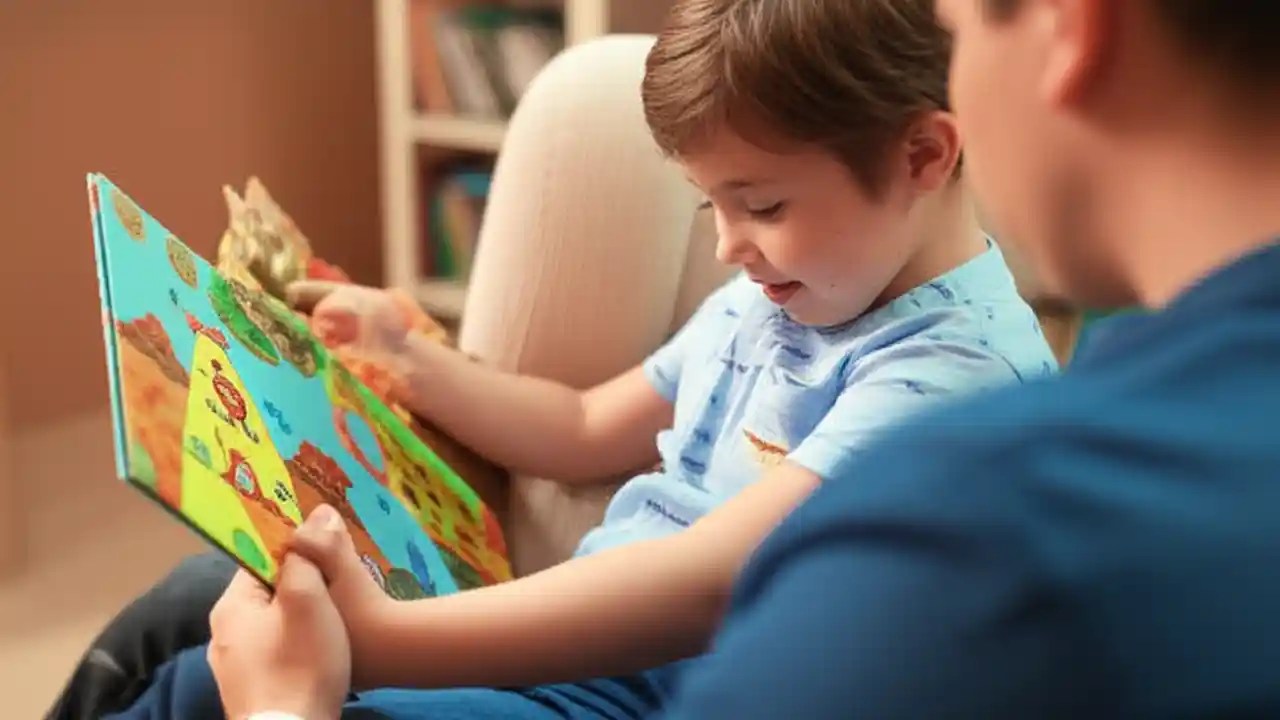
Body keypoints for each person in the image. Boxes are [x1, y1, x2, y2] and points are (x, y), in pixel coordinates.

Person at [66, 1, 1058, 718]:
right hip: (579, 649)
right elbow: (584, 429)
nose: (727, 246)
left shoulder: (953, 380)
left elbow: (708, 584)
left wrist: (379, 643)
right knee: (191, 629)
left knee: (228, 684)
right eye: (709, 206)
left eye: (760, 205)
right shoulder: (790, 289)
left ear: (923, 156)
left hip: (661, 688)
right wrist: (409, 357)